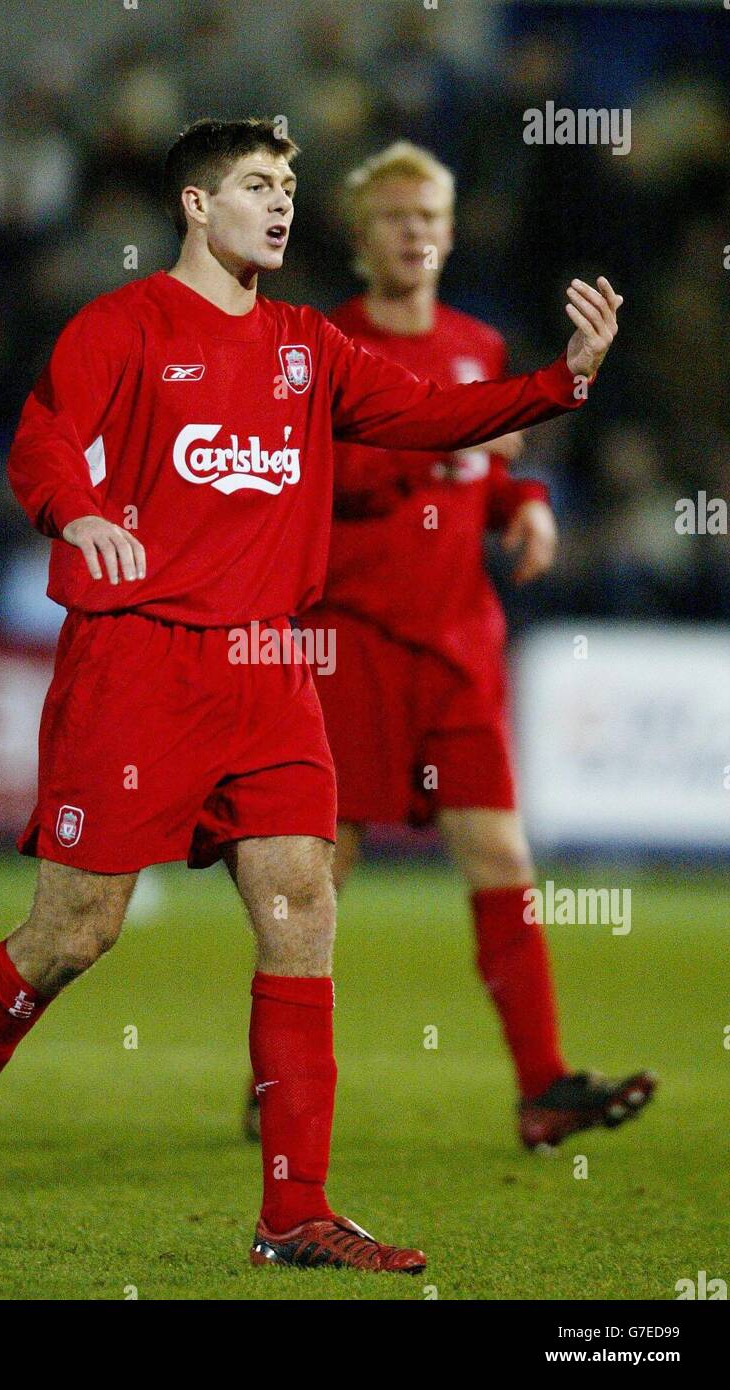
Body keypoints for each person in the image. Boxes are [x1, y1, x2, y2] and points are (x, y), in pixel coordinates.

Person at [0, 117, 622, 1272]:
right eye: (257, 186)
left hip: (272, 666)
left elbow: (424, 415)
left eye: (287, 187)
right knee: (75, 932)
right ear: (193, 205)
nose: (280, 205)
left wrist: (555, 386)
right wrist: (75, 512)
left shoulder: (303, 343)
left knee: (300, 903)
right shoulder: (122, 326)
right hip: (137, 663)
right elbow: (45, 440)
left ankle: (294, 1209)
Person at [245, 141, 653, 1150]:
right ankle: (276, 1084)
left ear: (451, 228)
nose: (414, 231)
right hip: (350, 643)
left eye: (429, 214)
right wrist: (428, 454)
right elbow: (294, 483)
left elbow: (497, 458)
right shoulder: (315, 344)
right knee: (315, 875)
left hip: (457, 643)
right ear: (359, 236)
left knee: (499, 851)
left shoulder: (476, 344)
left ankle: (542, 1086)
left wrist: (526, 503)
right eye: (393, 216)